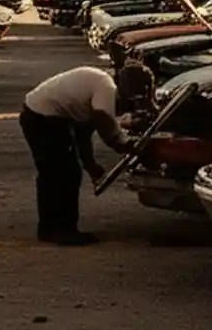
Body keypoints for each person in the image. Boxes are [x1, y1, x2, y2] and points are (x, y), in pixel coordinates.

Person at [21, 66, 133, 245]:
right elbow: (102, 119)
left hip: (37, 112)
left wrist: (90, 165)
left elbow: (83, 135)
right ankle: (63, 230)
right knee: (64, 174)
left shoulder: (96, 84)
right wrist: (119, 142)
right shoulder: (107, 88)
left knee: (54, 173)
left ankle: (49, 228)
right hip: (44, 117)